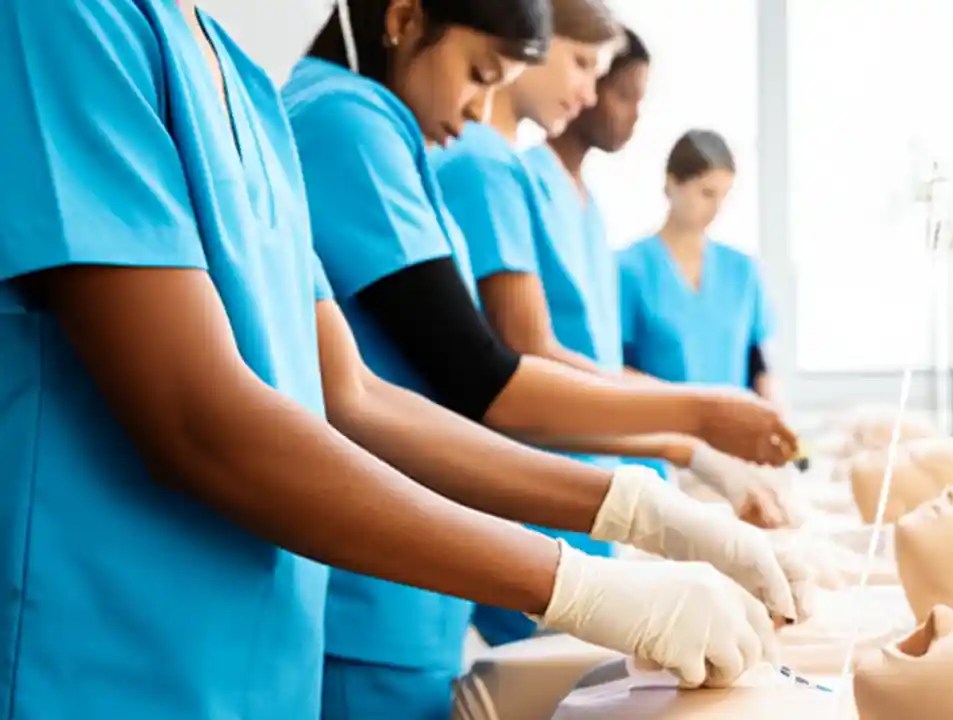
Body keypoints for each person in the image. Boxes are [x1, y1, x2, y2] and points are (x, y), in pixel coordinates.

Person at [0, 1, 795, 716]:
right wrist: (579, 582)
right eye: (479, 76)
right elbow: (197, 418)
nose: (481, 111)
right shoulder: (66, 22)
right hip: (103, 667)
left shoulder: (242, 88)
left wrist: (641, 510)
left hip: (264, 667)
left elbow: (354, 396)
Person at [285, 1, 803, 716]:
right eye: (478, 74)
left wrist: (662, 484)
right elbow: (472, 379)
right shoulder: (346, 123)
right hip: (371, 588)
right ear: (403, 17)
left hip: (412, 581)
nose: (474, 111)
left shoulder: (379, 128)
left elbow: (395, 388)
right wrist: (684, 441)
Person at [437, 1, 799, 644]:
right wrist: (691, 428)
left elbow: (599, 365)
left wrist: (690, 444)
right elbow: (522, 363)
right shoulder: (493, 171)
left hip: (596, 494)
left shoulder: (579, 204)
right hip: (536, 495)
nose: (600, 95)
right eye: (589, 69)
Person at [616, 129, 781, 403]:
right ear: (672, 184)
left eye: (723, 196)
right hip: (662, 434)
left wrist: (775, 419)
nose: (716, 208)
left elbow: (760, 367)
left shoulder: (743, 271)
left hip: (734, 434)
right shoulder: (629, 269)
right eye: (706, 193)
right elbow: (616, 367)